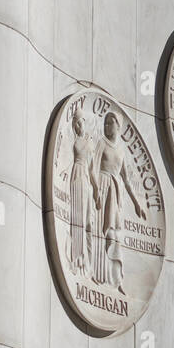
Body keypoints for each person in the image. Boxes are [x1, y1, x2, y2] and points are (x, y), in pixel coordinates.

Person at [90, 111, 145, 293]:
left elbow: (127, 179)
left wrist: (137, 204)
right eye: (105, 123)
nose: (106, 126)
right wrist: (97, 190)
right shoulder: (101, 144)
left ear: (118, 126)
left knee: (114, 234)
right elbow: (93, 168)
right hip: (103, 186)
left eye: (110, 123)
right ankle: (98, 274)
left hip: (115, 191)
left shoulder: (121, 152)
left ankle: (116, 278)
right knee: (101, 230)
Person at [67, 109, 92, 276]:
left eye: (82, 123)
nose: (80, 126)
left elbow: (92, 167)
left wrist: (95, 187)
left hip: (84, 177)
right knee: (77, 217)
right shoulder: (77, 141)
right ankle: (77, 257)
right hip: (77, 174)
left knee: (85, 218)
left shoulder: (88, 142)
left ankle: (84, 259)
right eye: (78, 123)